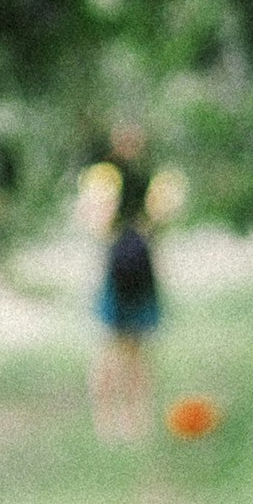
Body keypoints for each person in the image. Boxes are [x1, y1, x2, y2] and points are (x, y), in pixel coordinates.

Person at [87, 131, 166, 439]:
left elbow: (157, 221)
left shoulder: (147, 177)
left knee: (137, 350)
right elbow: (95, 222)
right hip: (115, 273)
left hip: (139, 271)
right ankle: (107, 422)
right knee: (109, 350)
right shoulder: (103, 177)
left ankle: (137, 421)